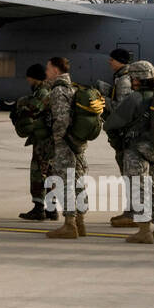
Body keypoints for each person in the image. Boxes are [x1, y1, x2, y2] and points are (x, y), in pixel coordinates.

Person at [103, 61, 154, 244]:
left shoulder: (135, 98)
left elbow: (112, 122)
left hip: (137, 149)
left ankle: (144, 231)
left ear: (137, 78)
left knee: (138, 188)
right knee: (153, 188)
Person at [43, 56, 86, 240]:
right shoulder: (72, 88)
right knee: (77, 182)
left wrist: (58, 139)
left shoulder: (58, 91)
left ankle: (69, 224)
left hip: (65, 144)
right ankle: (80, 223)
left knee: (66, 182)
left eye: (48, 68)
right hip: (77, 144)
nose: (46, 72)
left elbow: (61, 120)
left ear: (55, 70)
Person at [17, 63, 58, 221]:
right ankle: (52, 208)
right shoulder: (49, 88)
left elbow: (35, 108)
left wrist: (22, 104)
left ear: (34, 78)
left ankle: (39, 208)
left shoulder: (42, 91)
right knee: (50, 172)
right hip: (50, 137)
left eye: (29, 78)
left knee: (38, 172)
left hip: (44, 139)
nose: (28, 81)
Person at [105, 48, 136, 227]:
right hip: (126, 135)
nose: (110, 62)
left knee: (129, 174)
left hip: (126, 135)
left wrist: (104, 100)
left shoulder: (124, 80)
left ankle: (132, 213)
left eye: (112, 59)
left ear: (119, 61)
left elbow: (121, 108)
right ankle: (131, 211)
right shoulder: (124, 77)